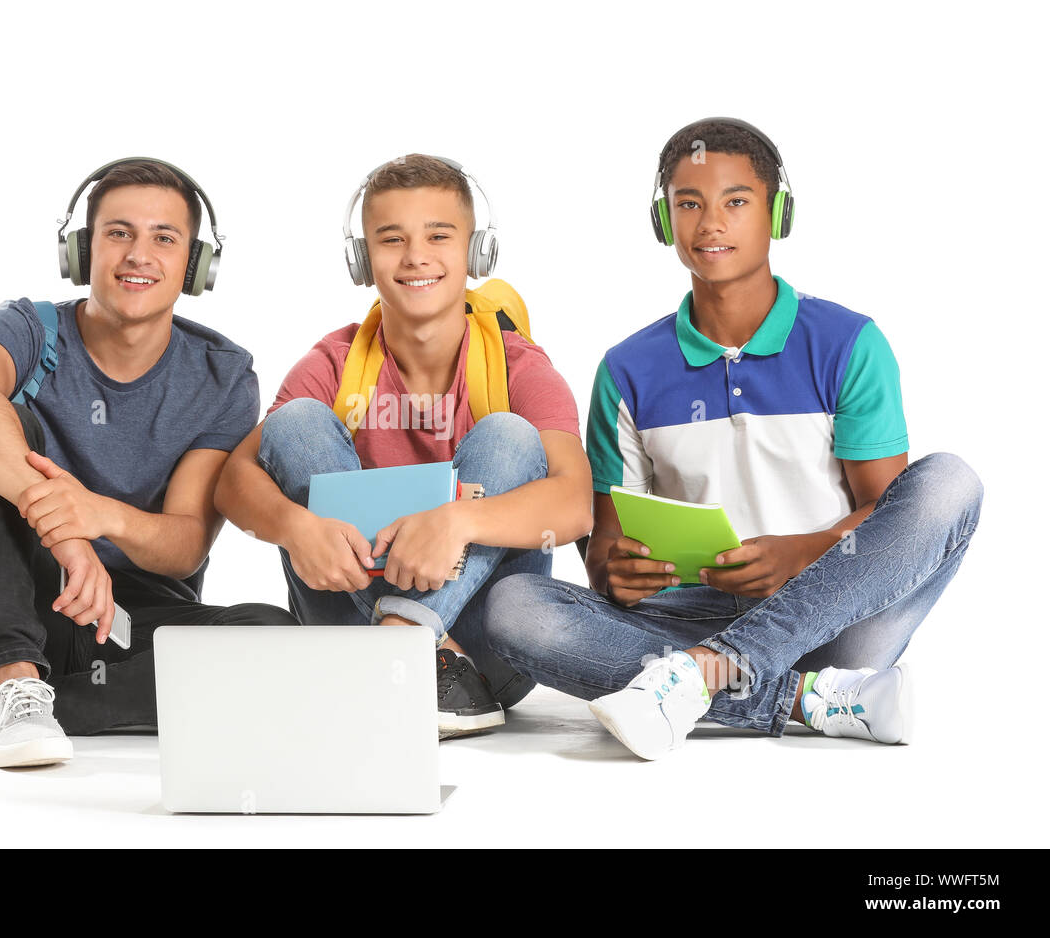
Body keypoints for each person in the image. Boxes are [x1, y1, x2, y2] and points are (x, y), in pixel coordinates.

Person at [484, 119, 982, 759]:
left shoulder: (850, 345)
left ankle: (707, 675)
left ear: (778, 212)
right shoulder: (627, 370)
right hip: (677, 616)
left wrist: (803, 553)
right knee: (513, 605)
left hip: (828, 621)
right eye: (688, 204)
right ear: (664, 222)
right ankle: (808, 699)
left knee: (950, 483)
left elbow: (889, 523)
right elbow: (604, 546)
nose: (710, 223)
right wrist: (617, 574)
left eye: (736, 202)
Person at [0, 158, 296, 768]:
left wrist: (99, 516)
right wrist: (66, 536)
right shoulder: (28, 328)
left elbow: (184, 546)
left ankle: (4, 699)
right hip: (14, 594)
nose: (138, 254)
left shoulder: (221, 375)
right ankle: (12, 674)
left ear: (195, 266)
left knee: (275, 636)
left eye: (164, 238)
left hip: (125, 620)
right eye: (118, 233)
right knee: (3, 422)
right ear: (82, 251)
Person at [214, 154, 592, 737]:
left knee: (508, 435)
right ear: (363, 260)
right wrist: (294, 527)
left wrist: (458, 523)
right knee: (296, 424)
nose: (416, 256)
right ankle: (406, 652)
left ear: (475, 251)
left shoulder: (519, 365)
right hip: (347, 627)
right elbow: (234, 481)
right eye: (391, 240)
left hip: (483, 648)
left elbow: (574, 504)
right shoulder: (334, 363)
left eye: (439, 235)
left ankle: (401, 643)